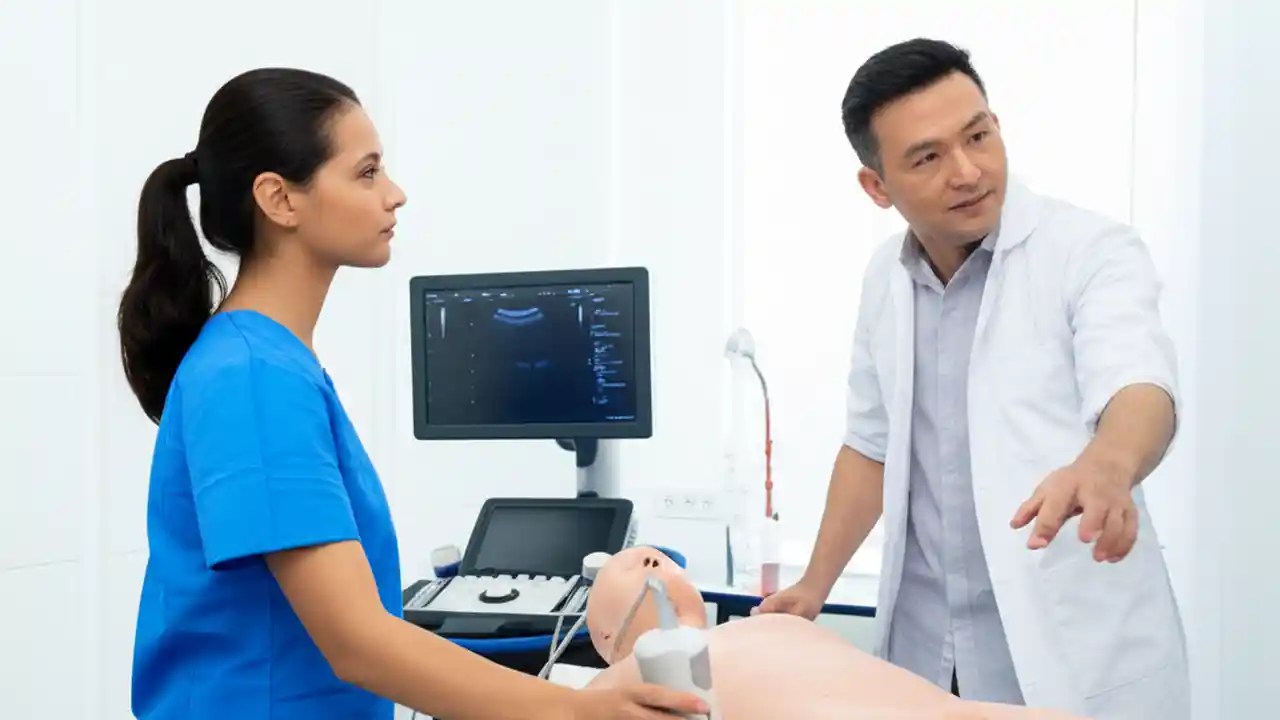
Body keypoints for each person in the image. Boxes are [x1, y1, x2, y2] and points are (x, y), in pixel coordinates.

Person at [117, 67, 708, 720]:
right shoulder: (252, 376)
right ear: (279, 199)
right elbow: (356, 642)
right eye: (367, 173)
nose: (394, 195)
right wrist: (574, 711)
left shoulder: (268, 362)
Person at [752, 39, 1188, 720]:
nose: (968, 172)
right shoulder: (885, 279)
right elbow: (870, 447)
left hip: (1065, 656)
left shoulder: (1091, 251)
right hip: (927, 657)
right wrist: (814, 584)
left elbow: (1138, 383)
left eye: (978, 136)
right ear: (877, 187)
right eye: (927, 158)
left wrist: (1107, 463)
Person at [582, 546, 1089, 720]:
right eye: (633, 566)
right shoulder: (619, 684)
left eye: (660, 560)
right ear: (605, 641)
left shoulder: (770, 625)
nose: (653, 564)